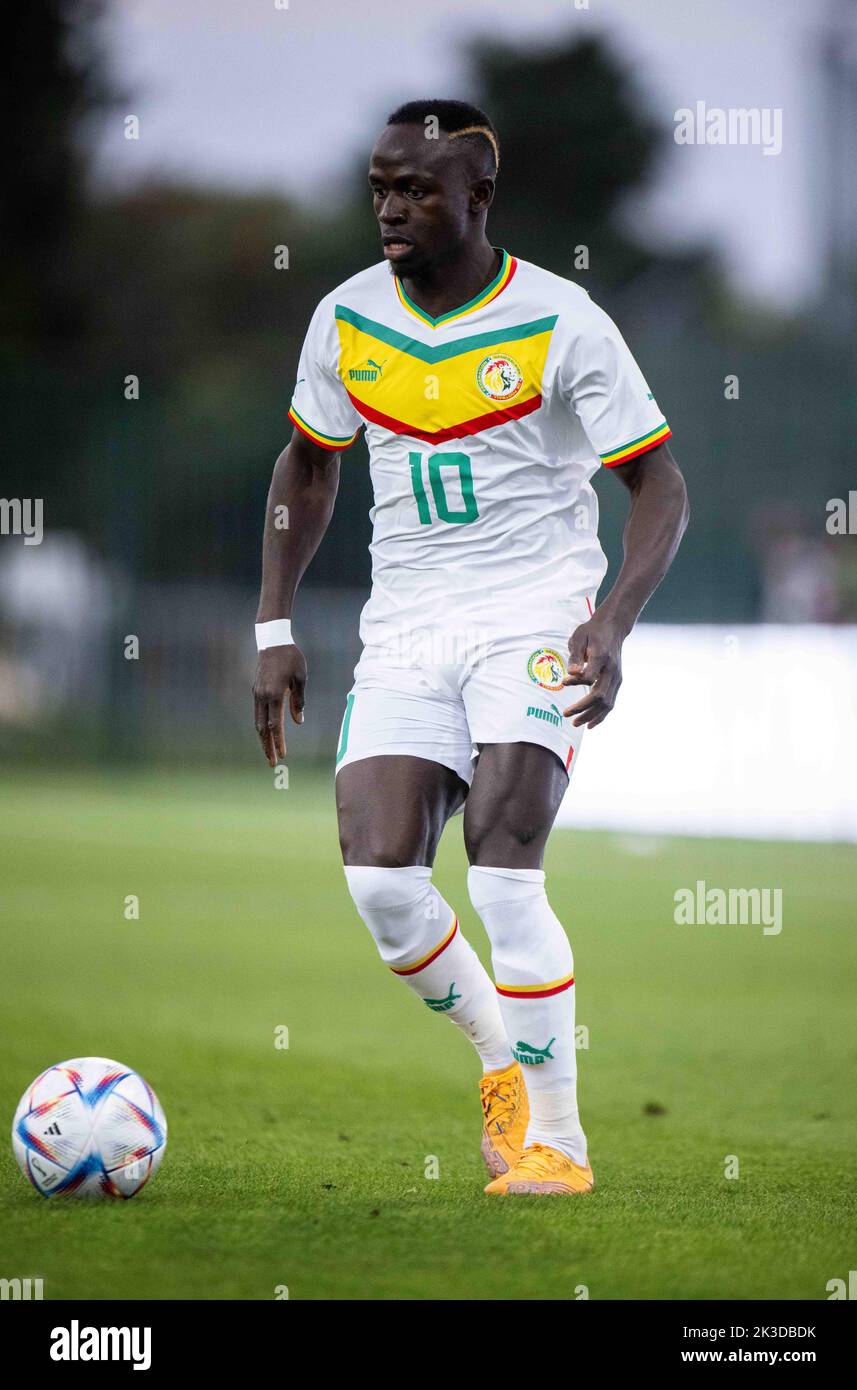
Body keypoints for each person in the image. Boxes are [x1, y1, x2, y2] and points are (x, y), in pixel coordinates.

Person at [253, 99, 689, 1196]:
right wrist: (273, 625)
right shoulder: (345, 317)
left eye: (416, 190)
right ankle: (501, 1061)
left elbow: (658, 484)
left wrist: (611, 619)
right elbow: (307, 467)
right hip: (403, 626)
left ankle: (560, 1145)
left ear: (475, 198)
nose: (392, 209)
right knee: (381, 883)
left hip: (533, 617)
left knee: (500, 870)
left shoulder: (561, 320)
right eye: (380, 188)